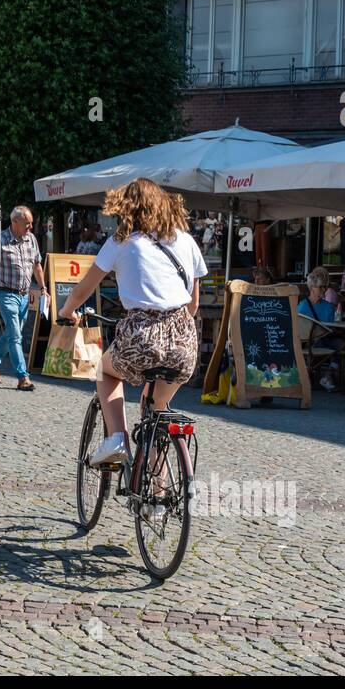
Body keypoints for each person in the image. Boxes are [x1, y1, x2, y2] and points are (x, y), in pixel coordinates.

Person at [58, 179, 205, 472]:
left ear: (126, 208)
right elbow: (192, 304)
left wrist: (66, 311)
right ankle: (159, 495)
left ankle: (117, 440)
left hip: (141, 334)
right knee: (157, 410)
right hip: (183, 341)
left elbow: (83, 289)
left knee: (105, 370)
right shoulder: (186, 241)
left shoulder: (120, 242)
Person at [0, 205, 47, 391]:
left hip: (24, 295)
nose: (31, 227)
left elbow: (37, 266)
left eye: (31, 223)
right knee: (16, 335)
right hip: (5, 293)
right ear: (15, 222)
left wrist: (43, 288)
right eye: (27, 223)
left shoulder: (31, 239)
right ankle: (22, 376)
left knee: (11, 333)